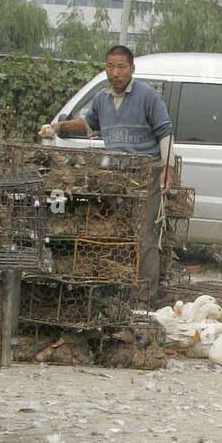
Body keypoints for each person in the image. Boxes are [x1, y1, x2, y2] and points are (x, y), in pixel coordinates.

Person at [40, 45, 173, 300]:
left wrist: (166, 168)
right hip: (114, 176)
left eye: (121, 67)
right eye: (110, 66)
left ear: (132, 69)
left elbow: (165, 131)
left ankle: (144, 298)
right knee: (116, 233)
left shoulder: (148, 96)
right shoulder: (101, 98)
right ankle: (117, 290)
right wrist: (59, 126)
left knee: (144, 236)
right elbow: (89, 124)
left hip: (144, 174)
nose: (115, 72)